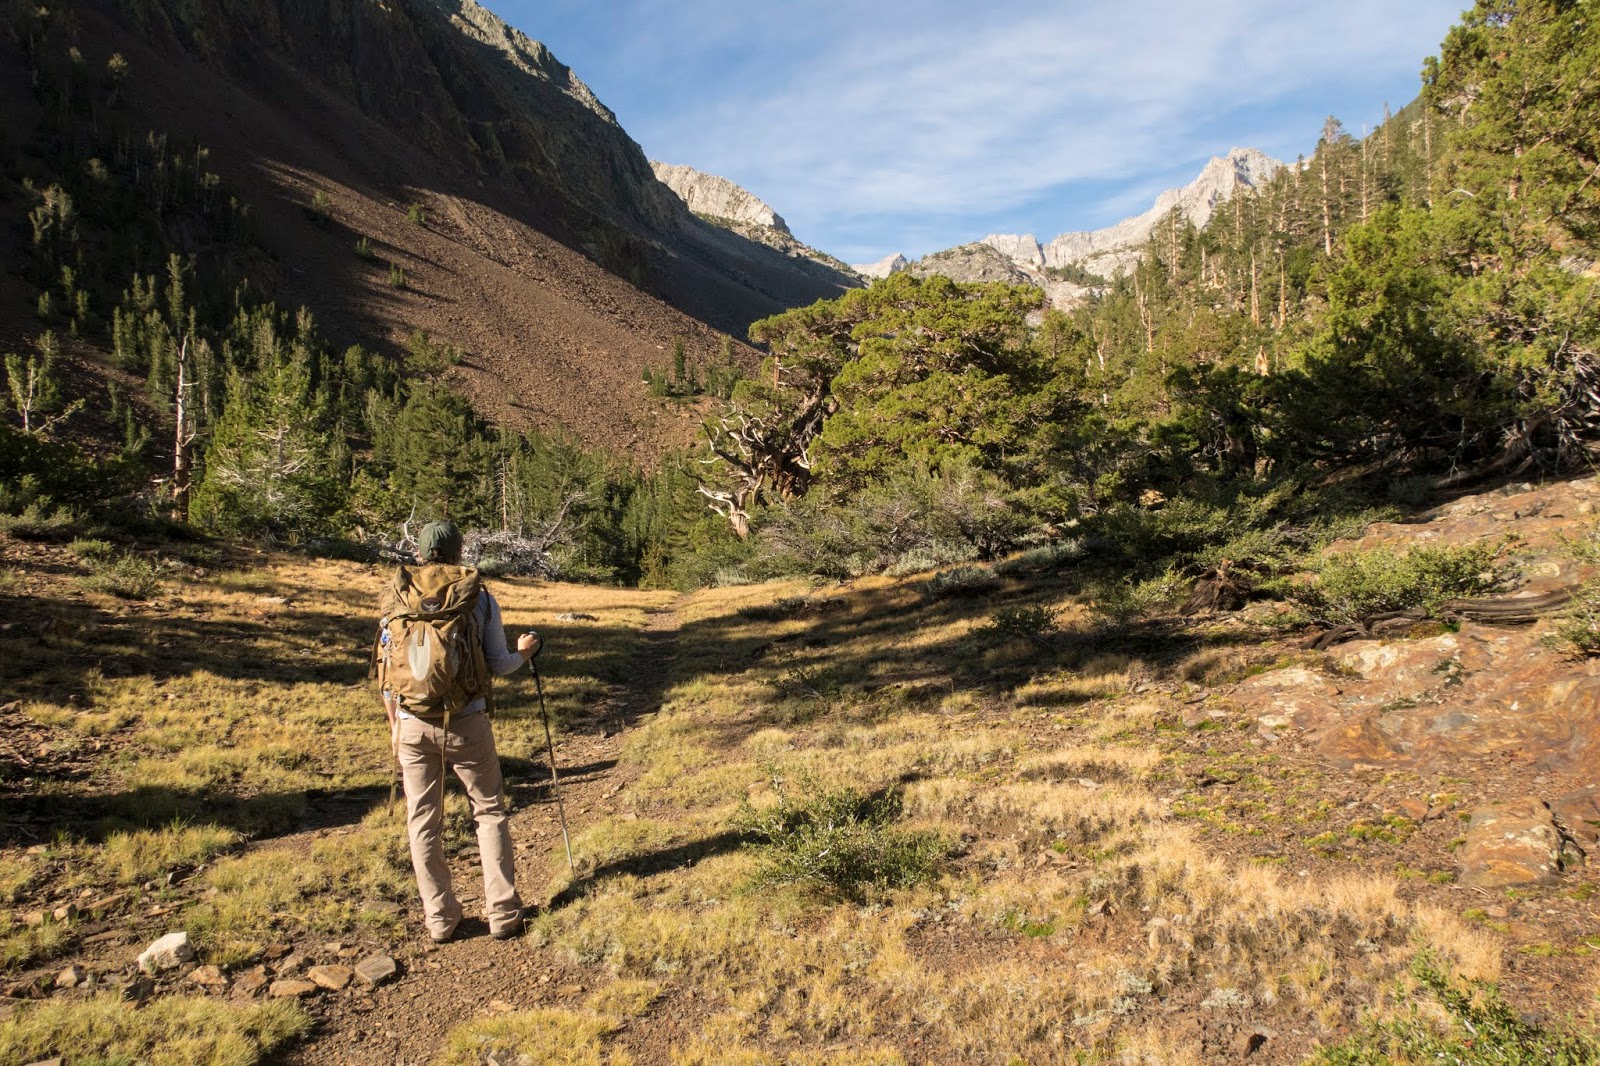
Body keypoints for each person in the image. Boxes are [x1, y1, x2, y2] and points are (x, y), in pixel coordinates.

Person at [378, 520, 540, 943]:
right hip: (467, 719)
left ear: (421, 550)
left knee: (423, 821)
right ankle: (503, 912)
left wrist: (395, 724)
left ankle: (440, 919)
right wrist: (525, 653)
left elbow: (386, 670)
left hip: (412, 722)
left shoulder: (396, 595)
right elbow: (499, 663)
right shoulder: (478, 597)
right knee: (488, 811)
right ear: (457, 551)